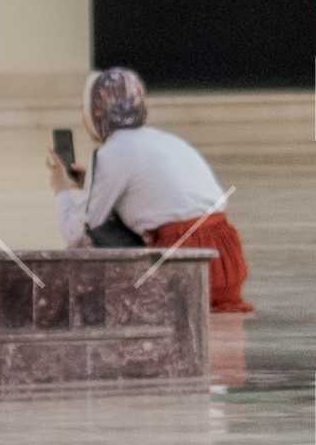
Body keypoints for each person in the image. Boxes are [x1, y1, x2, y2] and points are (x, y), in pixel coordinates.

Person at [51, 66, 250, 311]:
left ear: (96, 111)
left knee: (87, 248)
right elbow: (155, 194)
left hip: (183, 260)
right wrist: (89, 183)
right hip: (226, 261)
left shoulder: (112, 153)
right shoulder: (166, 140)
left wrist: (61, 189)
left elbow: (76, 233)